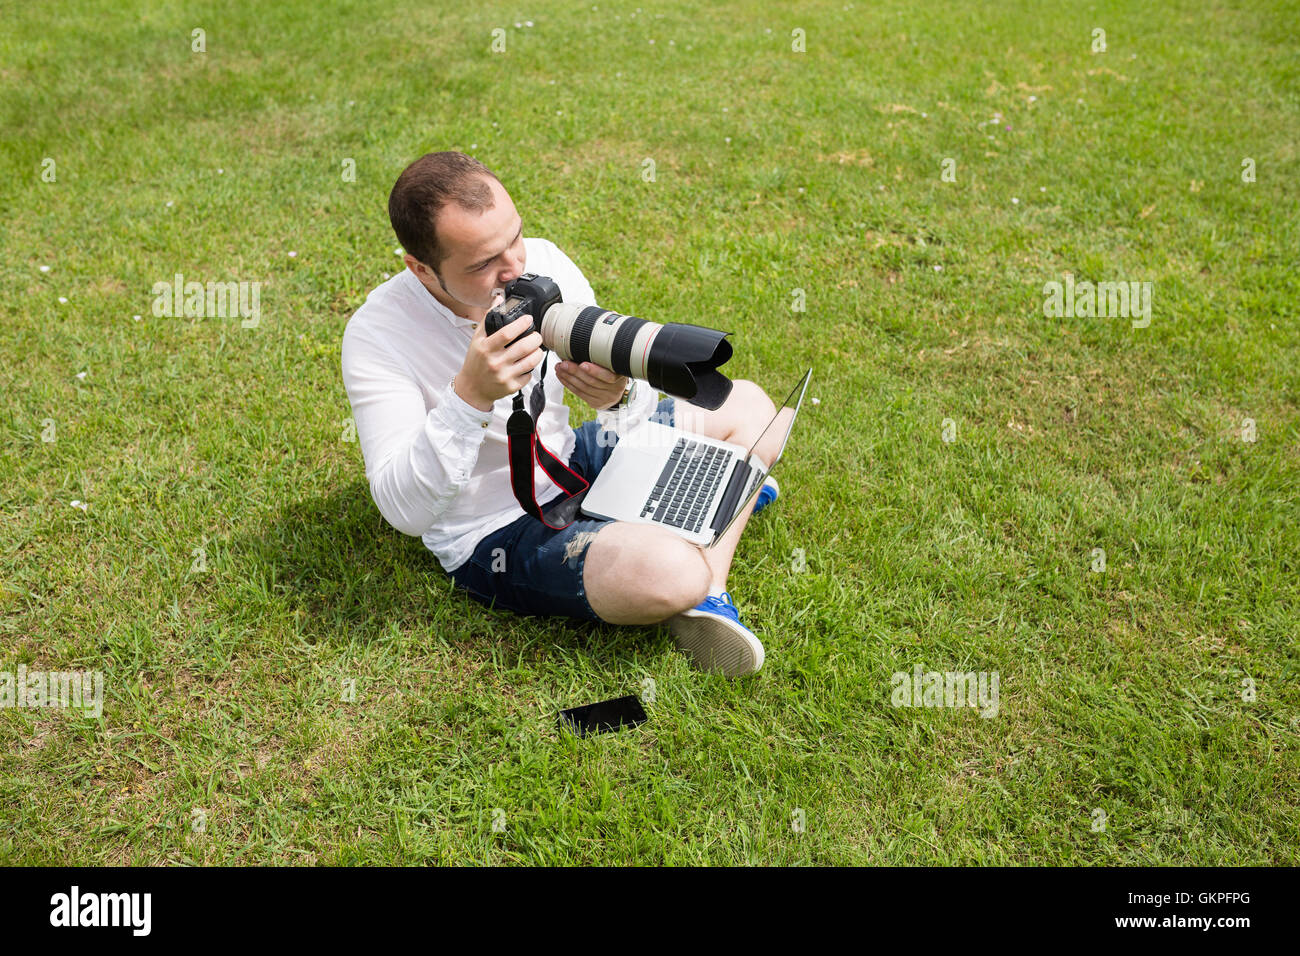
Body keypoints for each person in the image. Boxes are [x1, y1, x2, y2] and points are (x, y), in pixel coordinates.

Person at [341, 151, 784, 676]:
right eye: (483, 264)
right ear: (421, 268)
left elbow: (629, 412)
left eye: (515, 237)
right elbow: (403, 511)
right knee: (667, 571)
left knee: (751, 406)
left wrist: (616, 398)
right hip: (493, 529)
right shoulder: (378, 336)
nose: (515, 269)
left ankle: (708, 579)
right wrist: (468, 399)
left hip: (571, 460)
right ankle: (711, 509)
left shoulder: (543, 262)